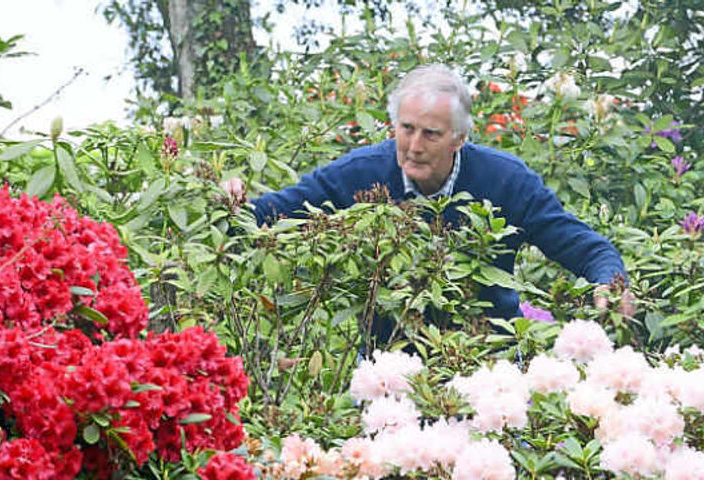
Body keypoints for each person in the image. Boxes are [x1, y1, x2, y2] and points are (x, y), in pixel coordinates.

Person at [251, 64, 629, 323]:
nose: (414, 146)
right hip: (388, 368)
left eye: (430, 134)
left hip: (489, 366)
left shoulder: (506, 180)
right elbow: (275, 213)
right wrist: (232, 203)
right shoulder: (360, 173)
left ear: (459, 139)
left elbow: (588, 249)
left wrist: (609, 282)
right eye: (406, 128)